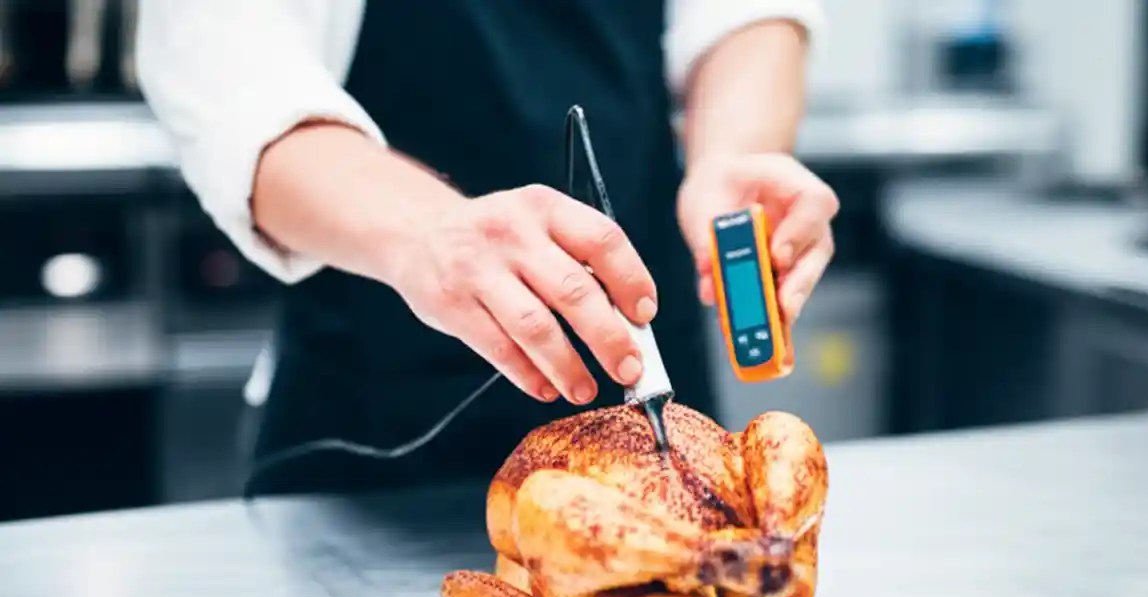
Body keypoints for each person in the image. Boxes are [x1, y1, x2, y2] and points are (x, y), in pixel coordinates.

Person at [136, 1, 839, 495]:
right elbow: (231, 78)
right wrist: (428, 231)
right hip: (373, 440)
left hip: (657, 391)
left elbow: (745, 16)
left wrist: (732, 156)